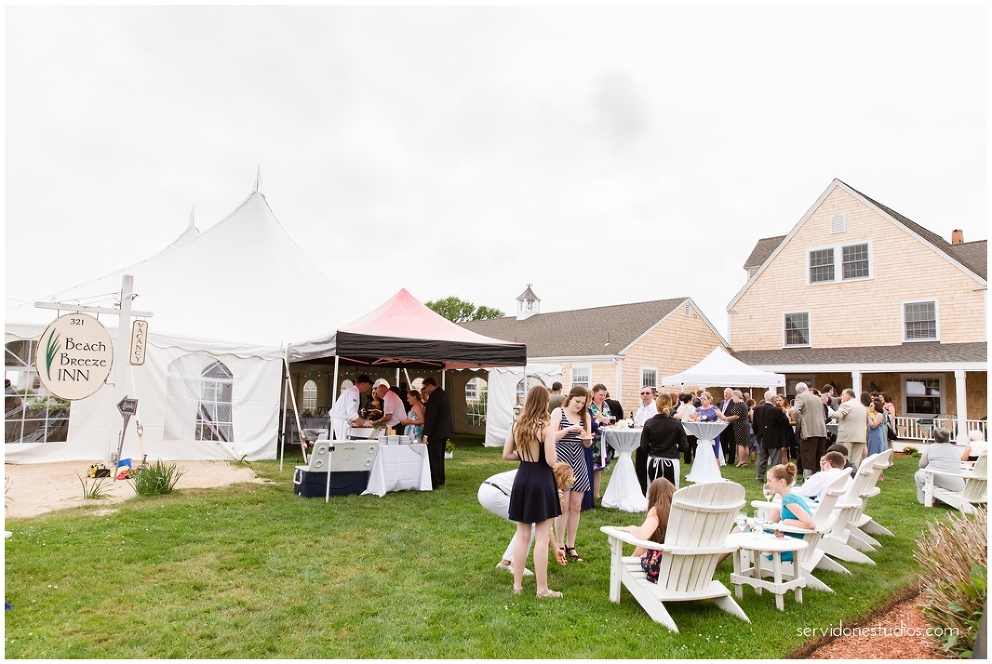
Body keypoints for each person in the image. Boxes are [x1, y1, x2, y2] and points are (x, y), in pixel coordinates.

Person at [503, 385, 564, 598]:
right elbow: (550, 460)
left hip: (523, 477)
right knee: (542, 537)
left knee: (522, 536)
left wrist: (525, 456)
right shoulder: (546, 426)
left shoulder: (517, 424)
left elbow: (506, 455)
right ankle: (542, 589)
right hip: (541, 479)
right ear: (544, 402)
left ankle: (517, 586)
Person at [480, 462, 574, 577]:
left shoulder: (543, 476)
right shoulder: (542, 482)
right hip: (494, 494)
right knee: (530, 523)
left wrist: (555, 549)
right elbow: (542, 521)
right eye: (567, 484)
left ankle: (506, 563)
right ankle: (516, 565)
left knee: (528, 523)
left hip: (489, 490)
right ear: (562, 479)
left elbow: (544, 522)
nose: (565, 489)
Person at [551, 386, 592, 563]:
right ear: (570, 398)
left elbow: (587, 443)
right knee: (563, 506)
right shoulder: (558, 412)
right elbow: (551, 436)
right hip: (562, 461)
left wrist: (588, 439)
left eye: (583, 403)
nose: (580, 406)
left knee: (576, 506)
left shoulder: (586, 416)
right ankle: (559, 543)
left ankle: (571, 545)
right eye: (577, 402)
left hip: (579, 461)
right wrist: (568, 429)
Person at [615, 478, 676, 583]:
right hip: (690, 565)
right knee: (647, 542)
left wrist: (630, 528)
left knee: (644, 542)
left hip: (664, 567)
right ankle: (630, 561)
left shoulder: (658, 510)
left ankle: (624, 568)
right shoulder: (684, 511)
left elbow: (643, 534)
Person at [763, 463, 815, 562]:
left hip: (790, 548)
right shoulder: (791, 496)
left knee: (740, 530)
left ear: (781, 481)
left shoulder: (789, 500)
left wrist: (786, 522)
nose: (767, 484)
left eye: (769, 480)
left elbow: (810, 524)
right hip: (789, 541)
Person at [635, 393, 685, 493]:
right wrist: (675, 448)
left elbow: (643, 445)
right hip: (671, 460)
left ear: (657, 406)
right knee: (672, 490)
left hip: (653, 459)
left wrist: (653, 450)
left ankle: (652, 507)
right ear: (671, 406)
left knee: (653, 490)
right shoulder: (676, 424)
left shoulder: (649, 423)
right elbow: (684, 446)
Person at [914, 427, 964, 504]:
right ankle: (933, 496)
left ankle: (925, 500)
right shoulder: (955, 449)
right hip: (957, 483)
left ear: (935, 438)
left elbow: (922, 464)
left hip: (940, 479)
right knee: (931, 476)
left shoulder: (930, 448)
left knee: (919, 475)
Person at [421, 377, 453, 489]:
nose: (424, 391)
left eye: (425, 388)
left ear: (430, 385)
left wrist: (426, 434)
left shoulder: (434, 397)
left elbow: (431, 418)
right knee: (439, 457)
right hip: (444, 430)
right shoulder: (444, 394)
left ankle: (435, 481)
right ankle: (440, 478)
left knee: (434, 457)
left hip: (436, 431)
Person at [752, 390, 790, 483]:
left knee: (761, 459)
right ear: (773, 399)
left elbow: (754, 424)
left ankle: (759, 477)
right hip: (774, 438)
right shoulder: (776, 410)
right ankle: (774, 478)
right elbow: (785, 422)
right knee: (775, 460)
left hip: (761, 437)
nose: (777, 399)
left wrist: (757, 435)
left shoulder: (757, 409)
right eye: (776, 398)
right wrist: (784, 412)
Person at [793, 382, 828, 476]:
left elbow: (796, 411)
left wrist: (801, 424)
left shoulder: (800, 397)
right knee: (819, 458)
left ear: (798, 391)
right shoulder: (817, 398)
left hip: (809, 432)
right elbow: (824, 416)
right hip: (821, 431)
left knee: (808, 457)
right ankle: (819, 477)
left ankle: (808, 480)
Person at [588, 384, 614, 502]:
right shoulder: (589, 405)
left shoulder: (605, 405)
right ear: (594, 394)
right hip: (592, 440)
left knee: (598, 469)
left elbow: (609, 419)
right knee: (590, 468)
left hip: (603, 441)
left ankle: (596, 493)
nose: (603, 397)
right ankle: (587, 493)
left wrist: (607, 421)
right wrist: (599, 420)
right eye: (600, 395)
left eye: (604, 395)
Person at [829, 388, 868, 466]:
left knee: (844, 459)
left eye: (842, 395)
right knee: (855, 462)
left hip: (847, 436)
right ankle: (853, 476)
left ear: (848, 396)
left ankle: (845, 477)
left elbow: (838, 415)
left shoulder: (846, 404)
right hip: (860, 436)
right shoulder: (862, 406)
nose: (841, 397)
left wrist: (826, 411)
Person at [329, 374, 373, 440]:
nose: (368, 388)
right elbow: (352, 414)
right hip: (340, 421)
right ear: (363, 384)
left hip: (339, 421)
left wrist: (359, 421)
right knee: (342, 444)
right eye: (368, 386)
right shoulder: (353, 392)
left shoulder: (351, 391)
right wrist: (365, 422)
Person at [692, 391, 726, 464]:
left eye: (704, 399)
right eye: (701, 399)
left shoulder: (714, 408)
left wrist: (720, 415)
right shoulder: (698, 409)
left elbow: (724, 418)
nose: (702, 400)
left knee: (715, 454)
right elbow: (692, 420)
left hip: (713, 433)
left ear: (709, 400)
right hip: (702, 433)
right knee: (703, 453)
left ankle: (717, 473)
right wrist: (696, 419)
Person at [726, 390, 751, 468]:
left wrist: (726, 418)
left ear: (737, 396)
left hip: (740, 425)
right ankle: (744, 461)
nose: (732, 398)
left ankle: (741, 461)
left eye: (733, 396)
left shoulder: (738, 404)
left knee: (740, 444)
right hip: (745, 424)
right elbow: (749, 411)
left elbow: (736, 416)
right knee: (745, 444)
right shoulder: (744, 403)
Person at [719, 388, 737, 466]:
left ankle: (731, 460)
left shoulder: (733, 402)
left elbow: (734, 414)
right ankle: (722, 459)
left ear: (731, 394)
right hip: (722, 425)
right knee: (723, 442)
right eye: (724, 393)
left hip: (731, 425)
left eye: (727, 393)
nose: (725, 395)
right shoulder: (722, 402)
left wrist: (728, 420)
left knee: (732, 443)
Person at [678, 393, 696, 466]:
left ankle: (687, 459)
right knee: (694, 445)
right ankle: (695, 458)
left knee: (687, 445)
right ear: (690, 400)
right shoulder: (691, 407)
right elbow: (693, 416)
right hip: (690, 428)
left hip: (683, 427)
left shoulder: (681, 407)